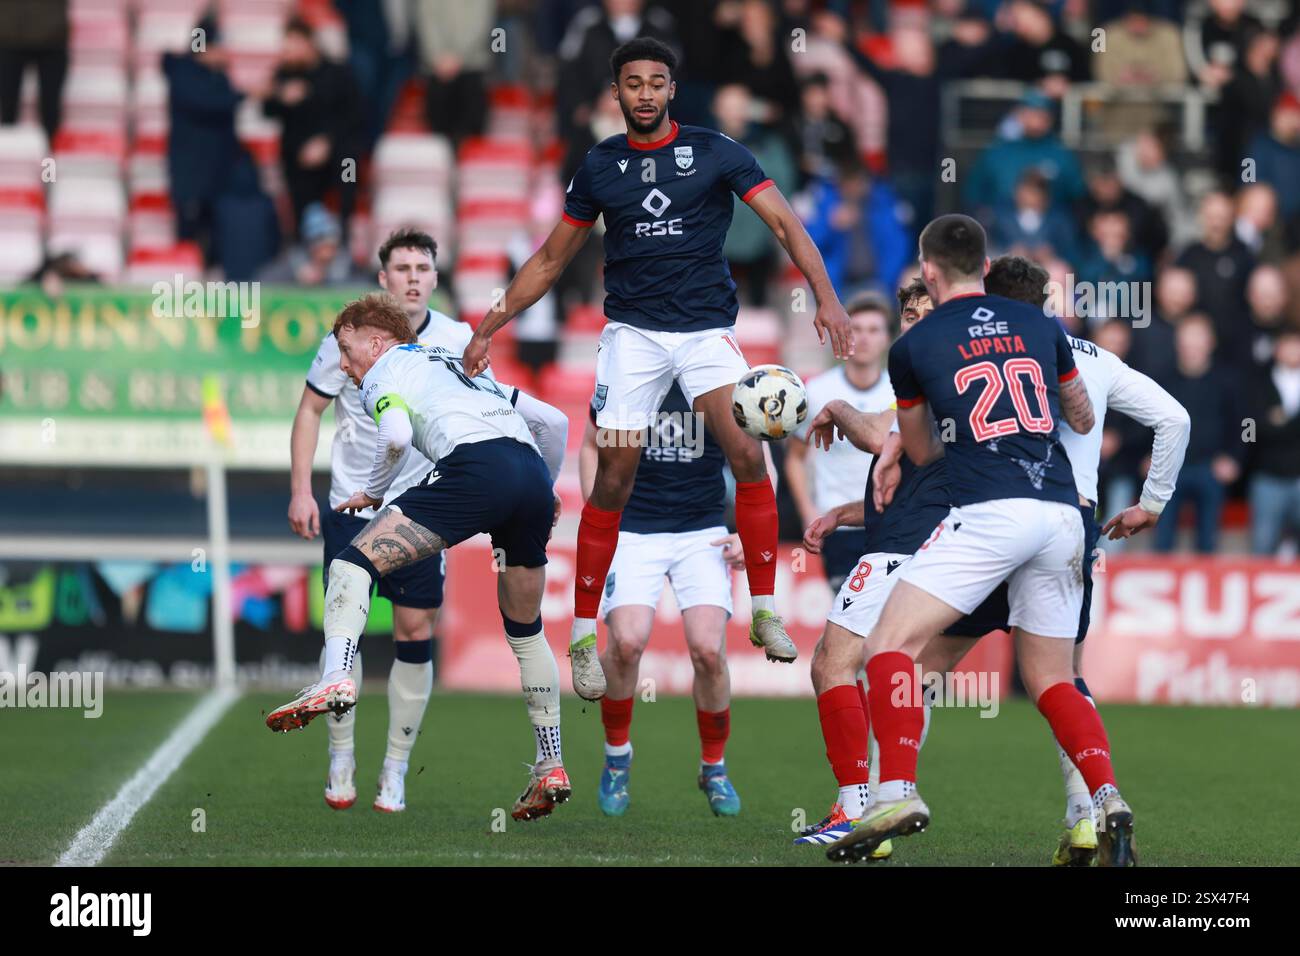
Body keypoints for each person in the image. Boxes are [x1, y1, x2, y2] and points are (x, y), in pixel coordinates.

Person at [462, 37, 853, 700]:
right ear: (616, 92)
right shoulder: (599, 166)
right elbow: (551, 261)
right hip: (634, 339)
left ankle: (763, 610)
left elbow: (785, 223)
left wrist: (827, 295)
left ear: (672, 88)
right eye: (633, 83)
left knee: (749, 455)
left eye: (656, 82)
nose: (644, 93)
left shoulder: (716, 152)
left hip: (704, 335)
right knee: (612, 476)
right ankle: (584, 635)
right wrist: (490, 326)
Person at [825, 215, 1136, 868]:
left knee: (890, 646)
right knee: (1054, 678)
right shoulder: (1041, 327)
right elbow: (1079, 415)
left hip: (990, 510)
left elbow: (919, 450)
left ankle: (896, 793)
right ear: (986, 267)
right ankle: (1106, 799)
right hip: (1060, 511)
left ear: (929, 271)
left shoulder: (914, 345)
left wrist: (950, 434)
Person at [286, 229, 568, 813]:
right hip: (528, 476)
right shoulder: (455, 361)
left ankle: (337, 675)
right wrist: (549, 487)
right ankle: (551, 762)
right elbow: (553, 422)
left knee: (351, 563)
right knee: (526, 630)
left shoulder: (386, 375)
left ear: (379, 340)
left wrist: (377, 489)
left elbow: (394, 433)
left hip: (472, 475)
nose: (345, 363)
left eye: (349, 349)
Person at [579, 384, 758, 817]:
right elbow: (589, 445)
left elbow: (752, 460)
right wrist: (597, 515)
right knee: (625, 643)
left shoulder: (717, 381)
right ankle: (617, 758)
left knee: (707, 651)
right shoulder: (632, 377)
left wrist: (748, 534)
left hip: (702, 531)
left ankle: (713, 766)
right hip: (634, 529)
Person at [785, 294, 894, 593]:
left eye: (874, 330)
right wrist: (808, 510)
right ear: (843, 333)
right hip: (838, 524)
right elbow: (795, 457)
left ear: (887, 338)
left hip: (888, 521)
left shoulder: (899, 392)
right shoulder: (817, 390)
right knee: (847, 617)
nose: (865, 338)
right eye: (856, 329)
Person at [260, 16, 365, 240]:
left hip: (339, 150)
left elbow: (355, 115)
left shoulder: (338, 72)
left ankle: (344, 237)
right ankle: (303, 241)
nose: (289, 51)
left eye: (294, 44)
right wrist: (279, 97)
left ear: (310, 43)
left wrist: (327, 142)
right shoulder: (284, 75)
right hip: (301, 156)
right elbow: (266, 111)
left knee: (349, 169)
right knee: (296, 175)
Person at [1248, 327, 1300, 555]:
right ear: (1276, 350)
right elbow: (1247, 429)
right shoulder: (1257, 383)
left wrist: (1279, 422)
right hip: (1266, 475)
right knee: (1263, 544)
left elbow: (1264, 425)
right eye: (1287, 345)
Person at [0, 0, 68, 143]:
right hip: (9, 35)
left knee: (51, 110)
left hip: (52, 35)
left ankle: (50, 157)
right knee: (7, 109)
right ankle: (8, 158)